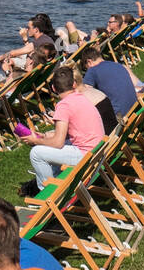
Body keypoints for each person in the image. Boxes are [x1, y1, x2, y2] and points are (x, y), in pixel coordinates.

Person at [19, 65, 105, 197]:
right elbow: (64, 134)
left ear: (53, 88)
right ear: (74, 84)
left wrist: (36, 140)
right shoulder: (80, 98)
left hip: (86, 153)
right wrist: (44, 138)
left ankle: (47, 194)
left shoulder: (64, 106)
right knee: (50, 149)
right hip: (97, 149)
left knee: (36, 153)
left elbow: (58, 142)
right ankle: (57, 181)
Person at [81, 46, 138, 120]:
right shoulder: (117, 64)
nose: (87, 70)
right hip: (136, 107)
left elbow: (85, 93)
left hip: (120, 115)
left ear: (89, 62)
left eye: (86, 67)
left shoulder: (92, 70)